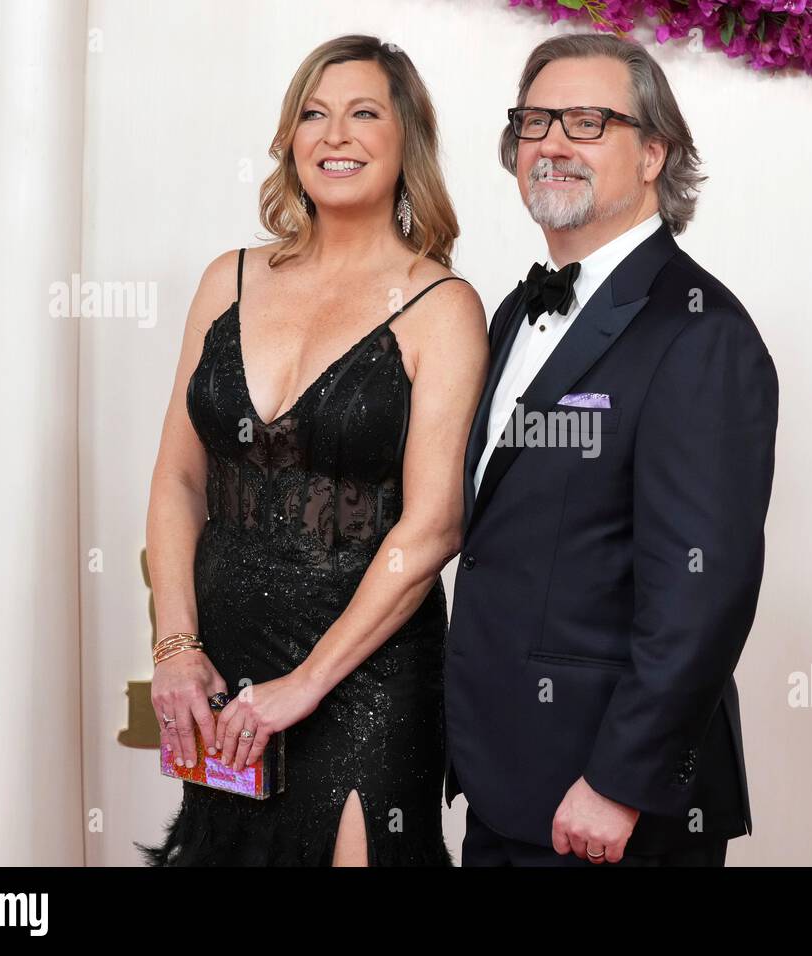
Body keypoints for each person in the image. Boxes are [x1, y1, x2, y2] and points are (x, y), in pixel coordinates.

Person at [136, 35, 487, 866]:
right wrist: (177, 646)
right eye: (314, 115)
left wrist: (304, 685)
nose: (336, 135)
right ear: (290, 141)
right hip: (228, 664)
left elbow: (433, 526)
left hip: (368, 675)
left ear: (407, 141)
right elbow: (180, 480)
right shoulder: (228, 278)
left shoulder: (443, 306)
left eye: (364, 113)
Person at [445, 33, 779, 866]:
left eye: (588, 122)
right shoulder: (517, 312)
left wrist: (619, 782)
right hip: (505, 781)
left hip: (607, 805)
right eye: (535, 121)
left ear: (654, 153)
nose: (553, 143)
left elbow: (704, 591)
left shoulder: (702, 333)